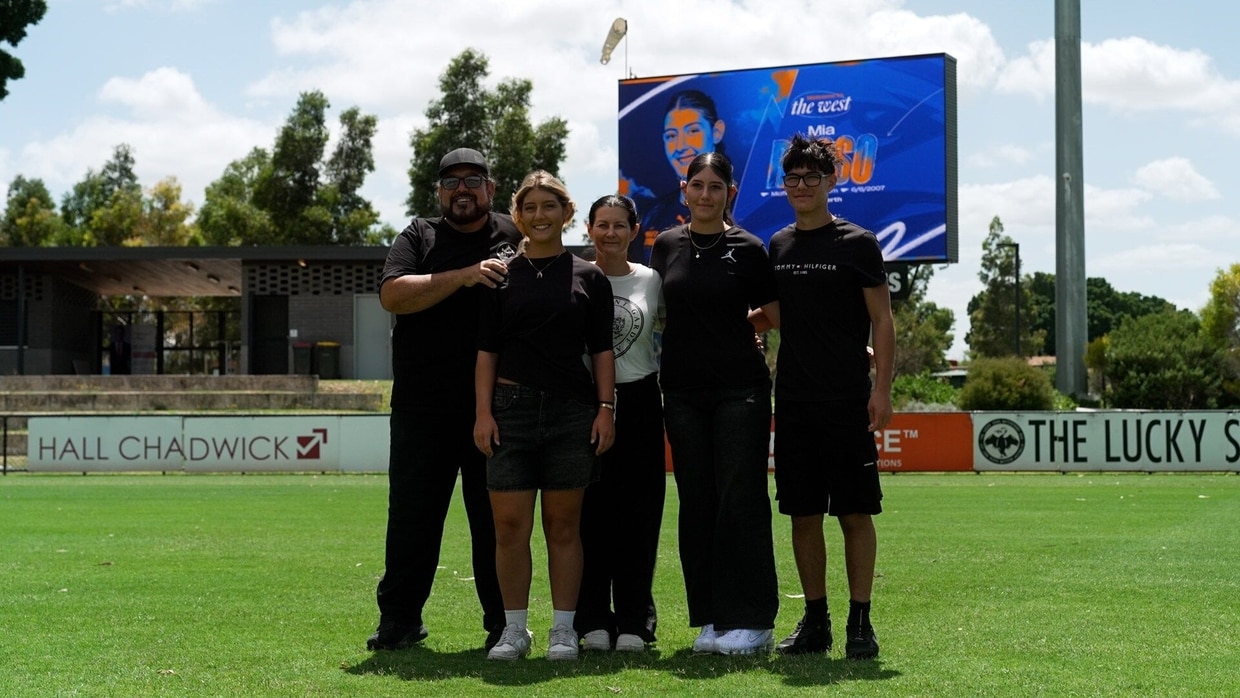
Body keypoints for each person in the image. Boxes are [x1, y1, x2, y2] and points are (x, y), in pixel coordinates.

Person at [370, 147, 517, 653]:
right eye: (451, 182)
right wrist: (466, 275)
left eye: (473, 180)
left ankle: (503, 625)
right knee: (412, 519)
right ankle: (399, 621)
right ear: (439, 192)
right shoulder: (419, 235)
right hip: (422, 407)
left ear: (491, 189)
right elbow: (392, 295)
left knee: (494, 523)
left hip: (495, 408)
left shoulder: (513, 234)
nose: (462, 190)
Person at [754, 133, 895, 660]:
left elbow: (882, 320)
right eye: (792, 178)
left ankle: (861, 621)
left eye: (812, 177)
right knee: (803, 514)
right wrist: (741, 324)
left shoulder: (858, 242)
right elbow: (781, 314)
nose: (802, 186)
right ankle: (816, 621)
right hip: (793, 401)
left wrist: (882, 389)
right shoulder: (777, 245)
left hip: (847, 401)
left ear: (832, 181)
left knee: (856, 513)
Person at [473, 171, 617, 662]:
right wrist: (483, 413)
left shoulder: (589, 276)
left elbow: (602, 351)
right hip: (508, 414)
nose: (539, 216)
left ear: (566, 213)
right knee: (510, 527)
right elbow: (487, 352)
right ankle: (514, 631)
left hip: (571, 414)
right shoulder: (499, 276)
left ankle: (563, 630)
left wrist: (606, 409)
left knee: (563, 526)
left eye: (549, 206)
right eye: (530, 207)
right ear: (518, 216)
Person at [648, 151, 780, 656]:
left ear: (730, 194)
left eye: (715, 187)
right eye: (697, 185)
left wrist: (740, 329)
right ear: (685, 191)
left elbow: (776, 313)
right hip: (682, 392)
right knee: (697, 502)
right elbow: (657, 310)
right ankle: (710, 617)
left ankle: (753, 620)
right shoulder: (665, 245)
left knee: (740, 500)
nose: (705, 195)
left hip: (740, 391)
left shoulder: (749, 248)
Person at [576, 195, 666, 653]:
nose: (610, 233)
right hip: (585, 405)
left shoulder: (651, 279)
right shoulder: (575, 276)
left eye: (619, 225)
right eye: (602, 225)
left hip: (641, 401)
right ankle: (592, 617)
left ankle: (635, 619)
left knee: (640, 513)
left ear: (634, 230)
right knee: (590, 515)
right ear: (589, 228)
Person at [632, 89, 726, 263]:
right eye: (671, 135)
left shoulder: (742, 206)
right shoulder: (650, 216)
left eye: (693, 131)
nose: (680, 146)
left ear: (716, 132)